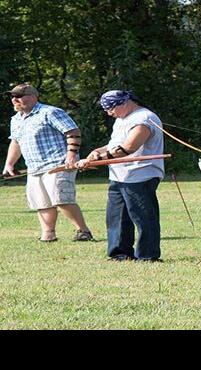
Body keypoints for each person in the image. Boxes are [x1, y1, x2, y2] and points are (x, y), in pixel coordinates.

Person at [76, 90, 164, 261]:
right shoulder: (121, 119)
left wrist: (97, 160)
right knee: (116, 217)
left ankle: (148, 256)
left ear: (124, 103)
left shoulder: (144, 119)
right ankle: (120, 254)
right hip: (119, 175)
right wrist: (95, 153)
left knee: (143, 217)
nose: (109, 113)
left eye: (111, 109)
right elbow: (114, 146)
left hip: (140, 175)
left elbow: (128, 148)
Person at [2, 83, 93, 242]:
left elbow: (72, 132)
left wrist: (71, 155)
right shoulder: (16, 119)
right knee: (41, 201)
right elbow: (16, 142)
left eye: (19, 96)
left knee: (61, 199)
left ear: (33, 97)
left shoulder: (50, 112)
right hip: (34, 166)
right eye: (13, 96)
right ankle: (48, 234)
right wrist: (9, 164)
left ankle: (83, 231)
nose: (15, 99)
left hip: (58, 163)